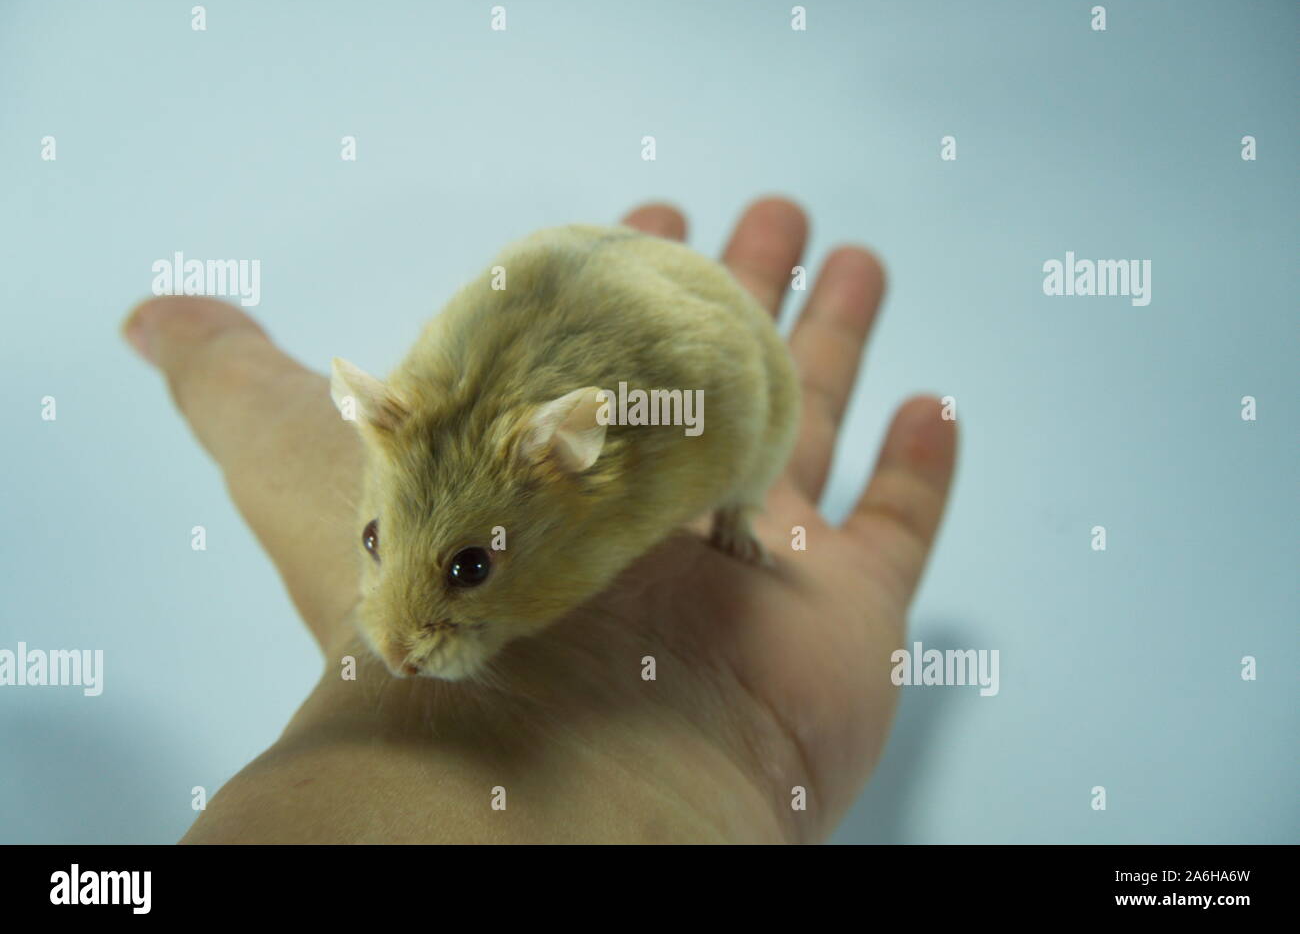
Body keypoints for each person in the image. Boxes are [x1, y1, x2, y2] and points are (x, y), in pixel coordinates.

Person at [122, 197, 957, 843]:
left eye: (469, 569)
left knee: (744, 446)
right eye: (376, 544)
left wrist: (736, 502)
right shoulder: (403, 410)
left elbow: (741, 395)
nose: (399, 647)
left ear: (568, 457)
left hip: (698, 377)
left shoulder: (612, 444)